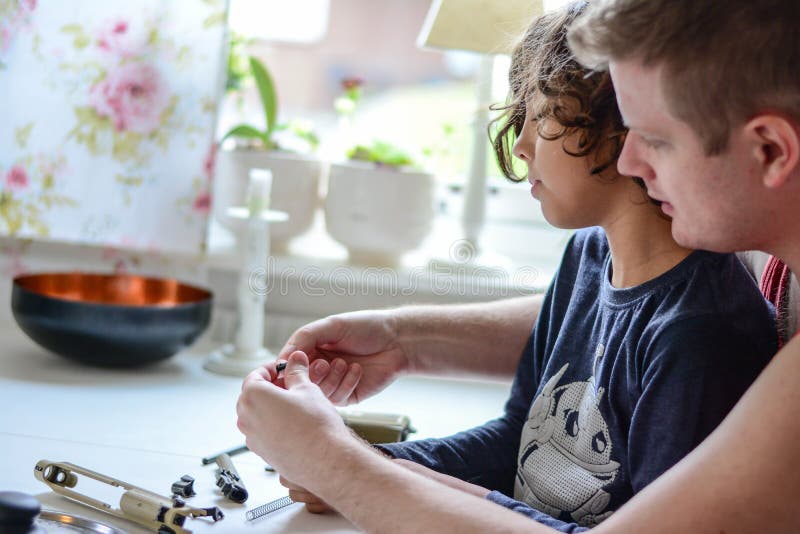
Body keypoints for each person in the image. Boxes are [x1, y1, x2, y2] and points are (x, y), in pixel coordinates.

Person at [235, 1, 792, 531]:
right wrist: (369, 458)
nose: (630, 159)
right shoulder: (592, 258)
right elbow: (523, 437)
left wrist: (341, 463)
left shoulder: (708, 331)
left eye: (655, 138)